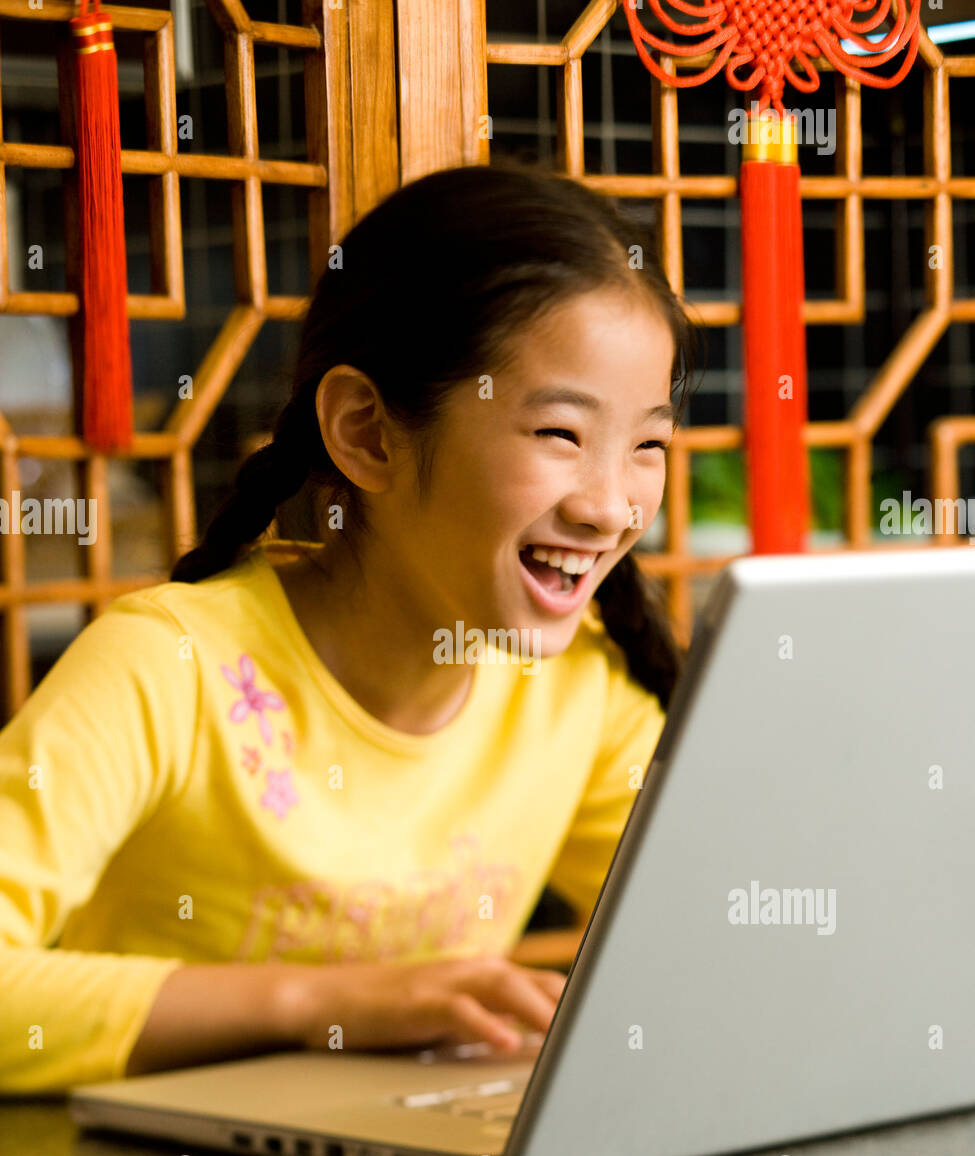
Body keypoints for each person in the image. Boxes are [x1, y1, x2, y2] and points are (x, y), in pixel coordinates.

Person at [0, 160, 699, 1094]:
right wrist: (332, 1003)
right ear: (367, 432)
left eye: (647, 446)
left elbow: (729, 923)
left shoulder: (579, 695)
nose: (612, 508)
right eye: (560, 436)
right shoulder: (165, 667)